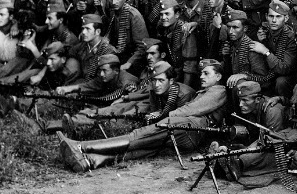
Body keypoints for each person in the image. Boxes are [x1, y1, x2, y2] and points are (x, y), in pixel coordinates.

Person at [57, 61, 194, 172]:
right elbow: (155, 113)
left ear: (171, 81)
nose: (157, 85)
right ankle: (91, 160)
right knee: (143, 147)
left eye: (161, 81)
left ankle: (82, 148)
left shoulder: (184, 94)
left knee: (141, 142)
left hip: (181, 136)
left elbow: (179, 120)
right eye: (154, 80)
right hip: (163, 131)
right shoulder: (154, 91)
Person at [223, 10, 271, 93]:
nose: (230, 31)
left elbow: (264, 79)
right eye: (228, 27)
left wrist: (245, 76)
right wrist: (226, 57)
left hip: (252, 92)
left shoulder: (252, 48)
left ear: (245, 28)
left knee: (239, 84)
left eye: (235, 27)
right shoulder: (231, 45)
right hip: (236, 89)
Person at [257, 0, 297, 99]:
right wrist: (262, 41)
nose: (274, 20)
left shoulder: (290, 38)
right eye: (271, 16)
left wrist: (265, 51)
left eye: (278, 17)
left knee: (281, 82)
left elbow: (284, 68)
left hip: (287, 75)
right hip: (272, 71)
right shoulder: (266, 32)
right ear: (266, 16)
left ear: (286, 18)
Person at [103, 0, 148, 65]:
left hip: (131, 60)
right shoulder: (113, 12)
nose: (113, 2)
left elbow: (142, 46)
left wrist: (129, 63)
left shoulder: (133, 16)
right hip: (117, 56)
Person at [67, 14, 118, 84]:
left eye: (88, 29)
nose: (83, 32)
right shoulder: (80, 47)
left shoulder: (108, 50)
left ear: (98, 32)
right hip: (82, 84)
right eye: (83, 28)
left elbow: (101, 80)